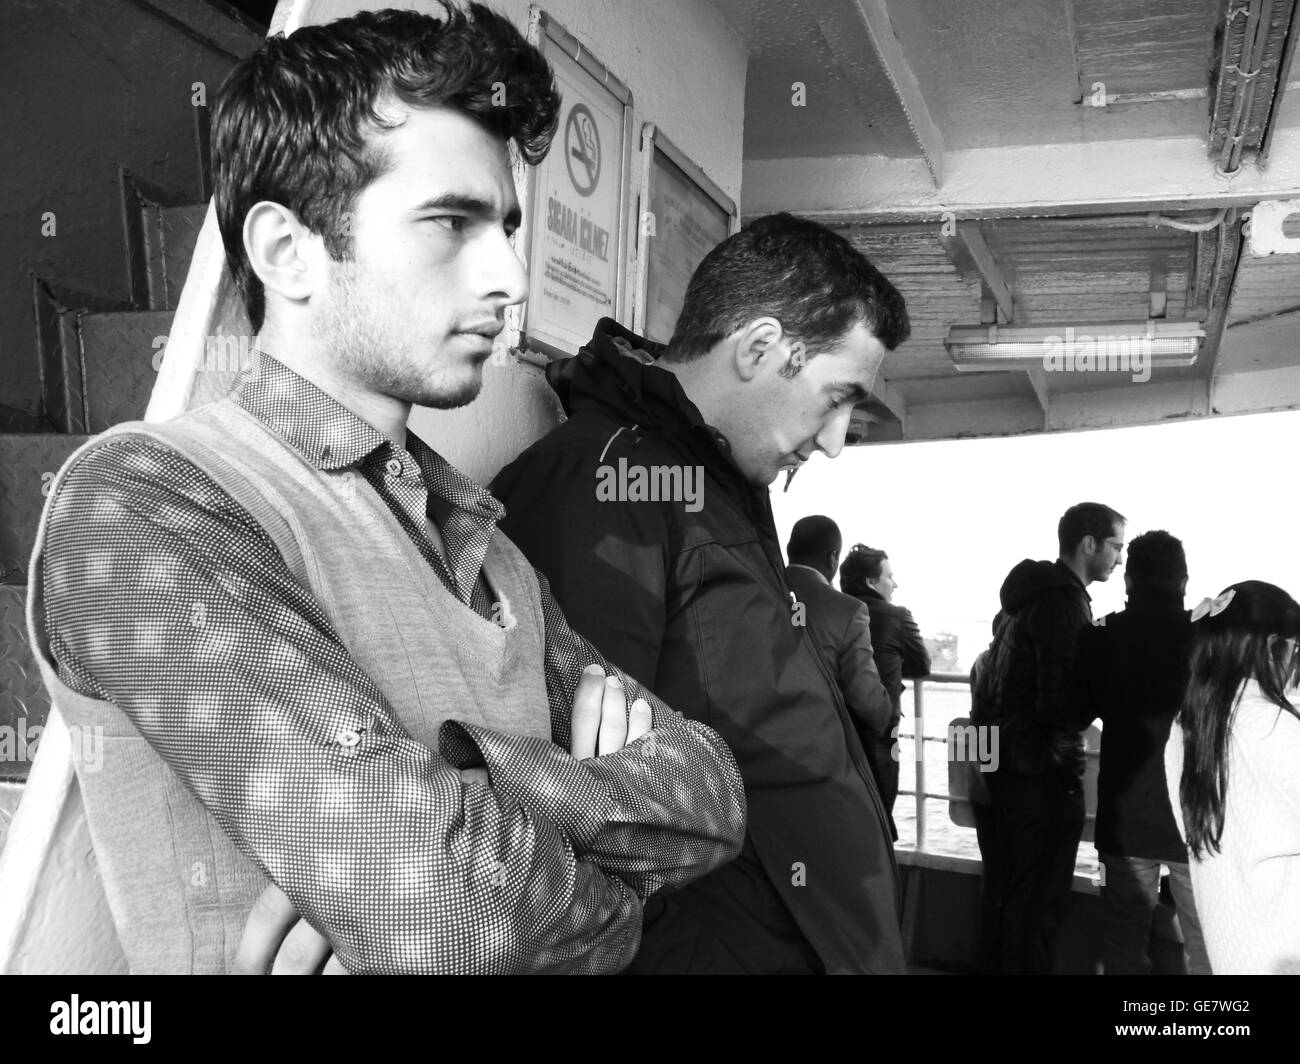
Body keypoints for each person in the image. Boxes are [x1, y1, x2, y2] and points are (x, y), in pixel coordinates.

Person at [26, 5, 745, 975]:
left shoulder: (486, 540)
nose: (507, 278)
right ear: (287, 251)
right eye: (452, 222)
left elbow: (713, 796)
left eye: (507, 227)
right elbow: (449, 913)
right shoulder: (145, 498)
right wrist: (608, 860)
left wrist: (482, 788)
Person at [490, 213, 912, 973]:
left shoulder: (715, 481)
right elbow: (574, 812)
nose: (836, 440)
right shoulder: (604, 482)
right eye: (836, 397)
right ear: (757, 348)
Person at [970, 501, 1125, 973]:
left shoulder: (1026, 599)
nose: (1119, 559)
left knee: (1010, 886)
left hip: (1001, 763)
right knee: (1038, 895)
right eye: (1116, 546)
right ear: (1089, 544)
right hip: (1039, 771)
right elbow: (1058, 703)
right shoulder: (1063, 602)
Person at [1068, 530, 1210, 975]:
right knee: (1209, 946)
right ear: (1183, 581)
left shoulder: (1100, 636)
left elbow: (1073, 713)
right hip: (1196, 823)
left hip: (1123, 826)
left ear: (1128, 581)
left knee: (1123, 944)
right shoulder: (1208, 637)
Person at [1165, 580, 1300, 975]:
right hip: (1285, 947)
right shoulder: (1273, 725)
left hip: (1234, 947)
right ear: (1274, 646)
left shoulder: (1187, 726)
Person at [784, 517, 894, 816]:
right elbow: (867, 697)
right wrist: (889, 713)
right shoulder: (848, 611)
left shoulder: (753, 593)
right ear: (833, 558)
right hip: (822, 761)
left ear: (789, 548)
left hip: (756, 754)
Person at [840, 543, 931, 829]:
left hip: (836, 734)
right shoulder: (896, 616)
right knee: (878, 819)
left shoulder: (833, 613)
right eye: (889, 577)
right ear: (871, 581)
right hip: (881, 737)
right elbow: (922, 665)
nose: (895, 583)